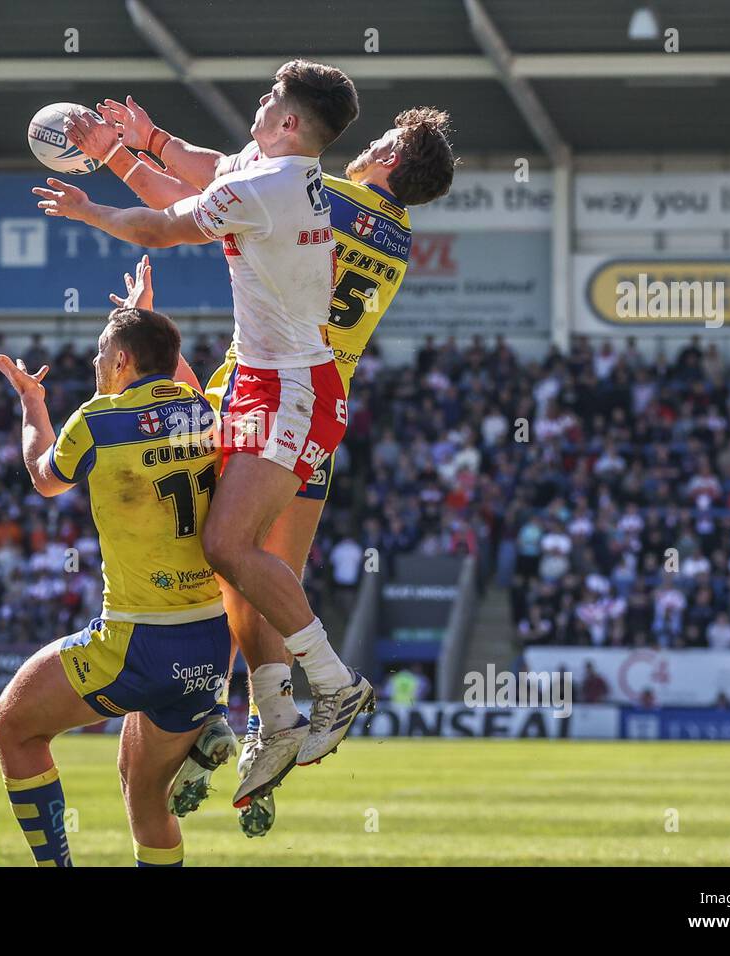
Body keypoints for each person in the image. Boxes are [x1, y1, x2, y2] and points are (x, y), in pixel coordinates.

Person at [64, 95, 455, 832]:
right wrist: (149, 146)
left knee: (215, 555)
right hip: (320, 405)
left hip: (267, 385)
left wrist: (133, 149)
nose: (364, 146)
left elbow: (195, 193)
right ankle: (269, 721)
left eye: (381, 142)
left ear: (393, 159)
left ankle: (270, 704)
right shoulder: (395, 236)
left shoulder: (316, 191)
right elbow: (213, 187)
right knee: (259, 571)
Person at [0, 259, 232, 867]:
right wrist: (142, 315)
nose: (96, 368)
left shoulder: (98, 419)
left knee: (12, 723)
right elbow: (176, 378)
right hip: (209, 640)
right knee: (144, 795)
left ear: (121, 362)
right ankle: (210, 721)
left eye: (102, 356)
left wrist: (31, 405)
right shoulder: (208, 412)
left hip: (137, 639)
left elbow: (45, 478)